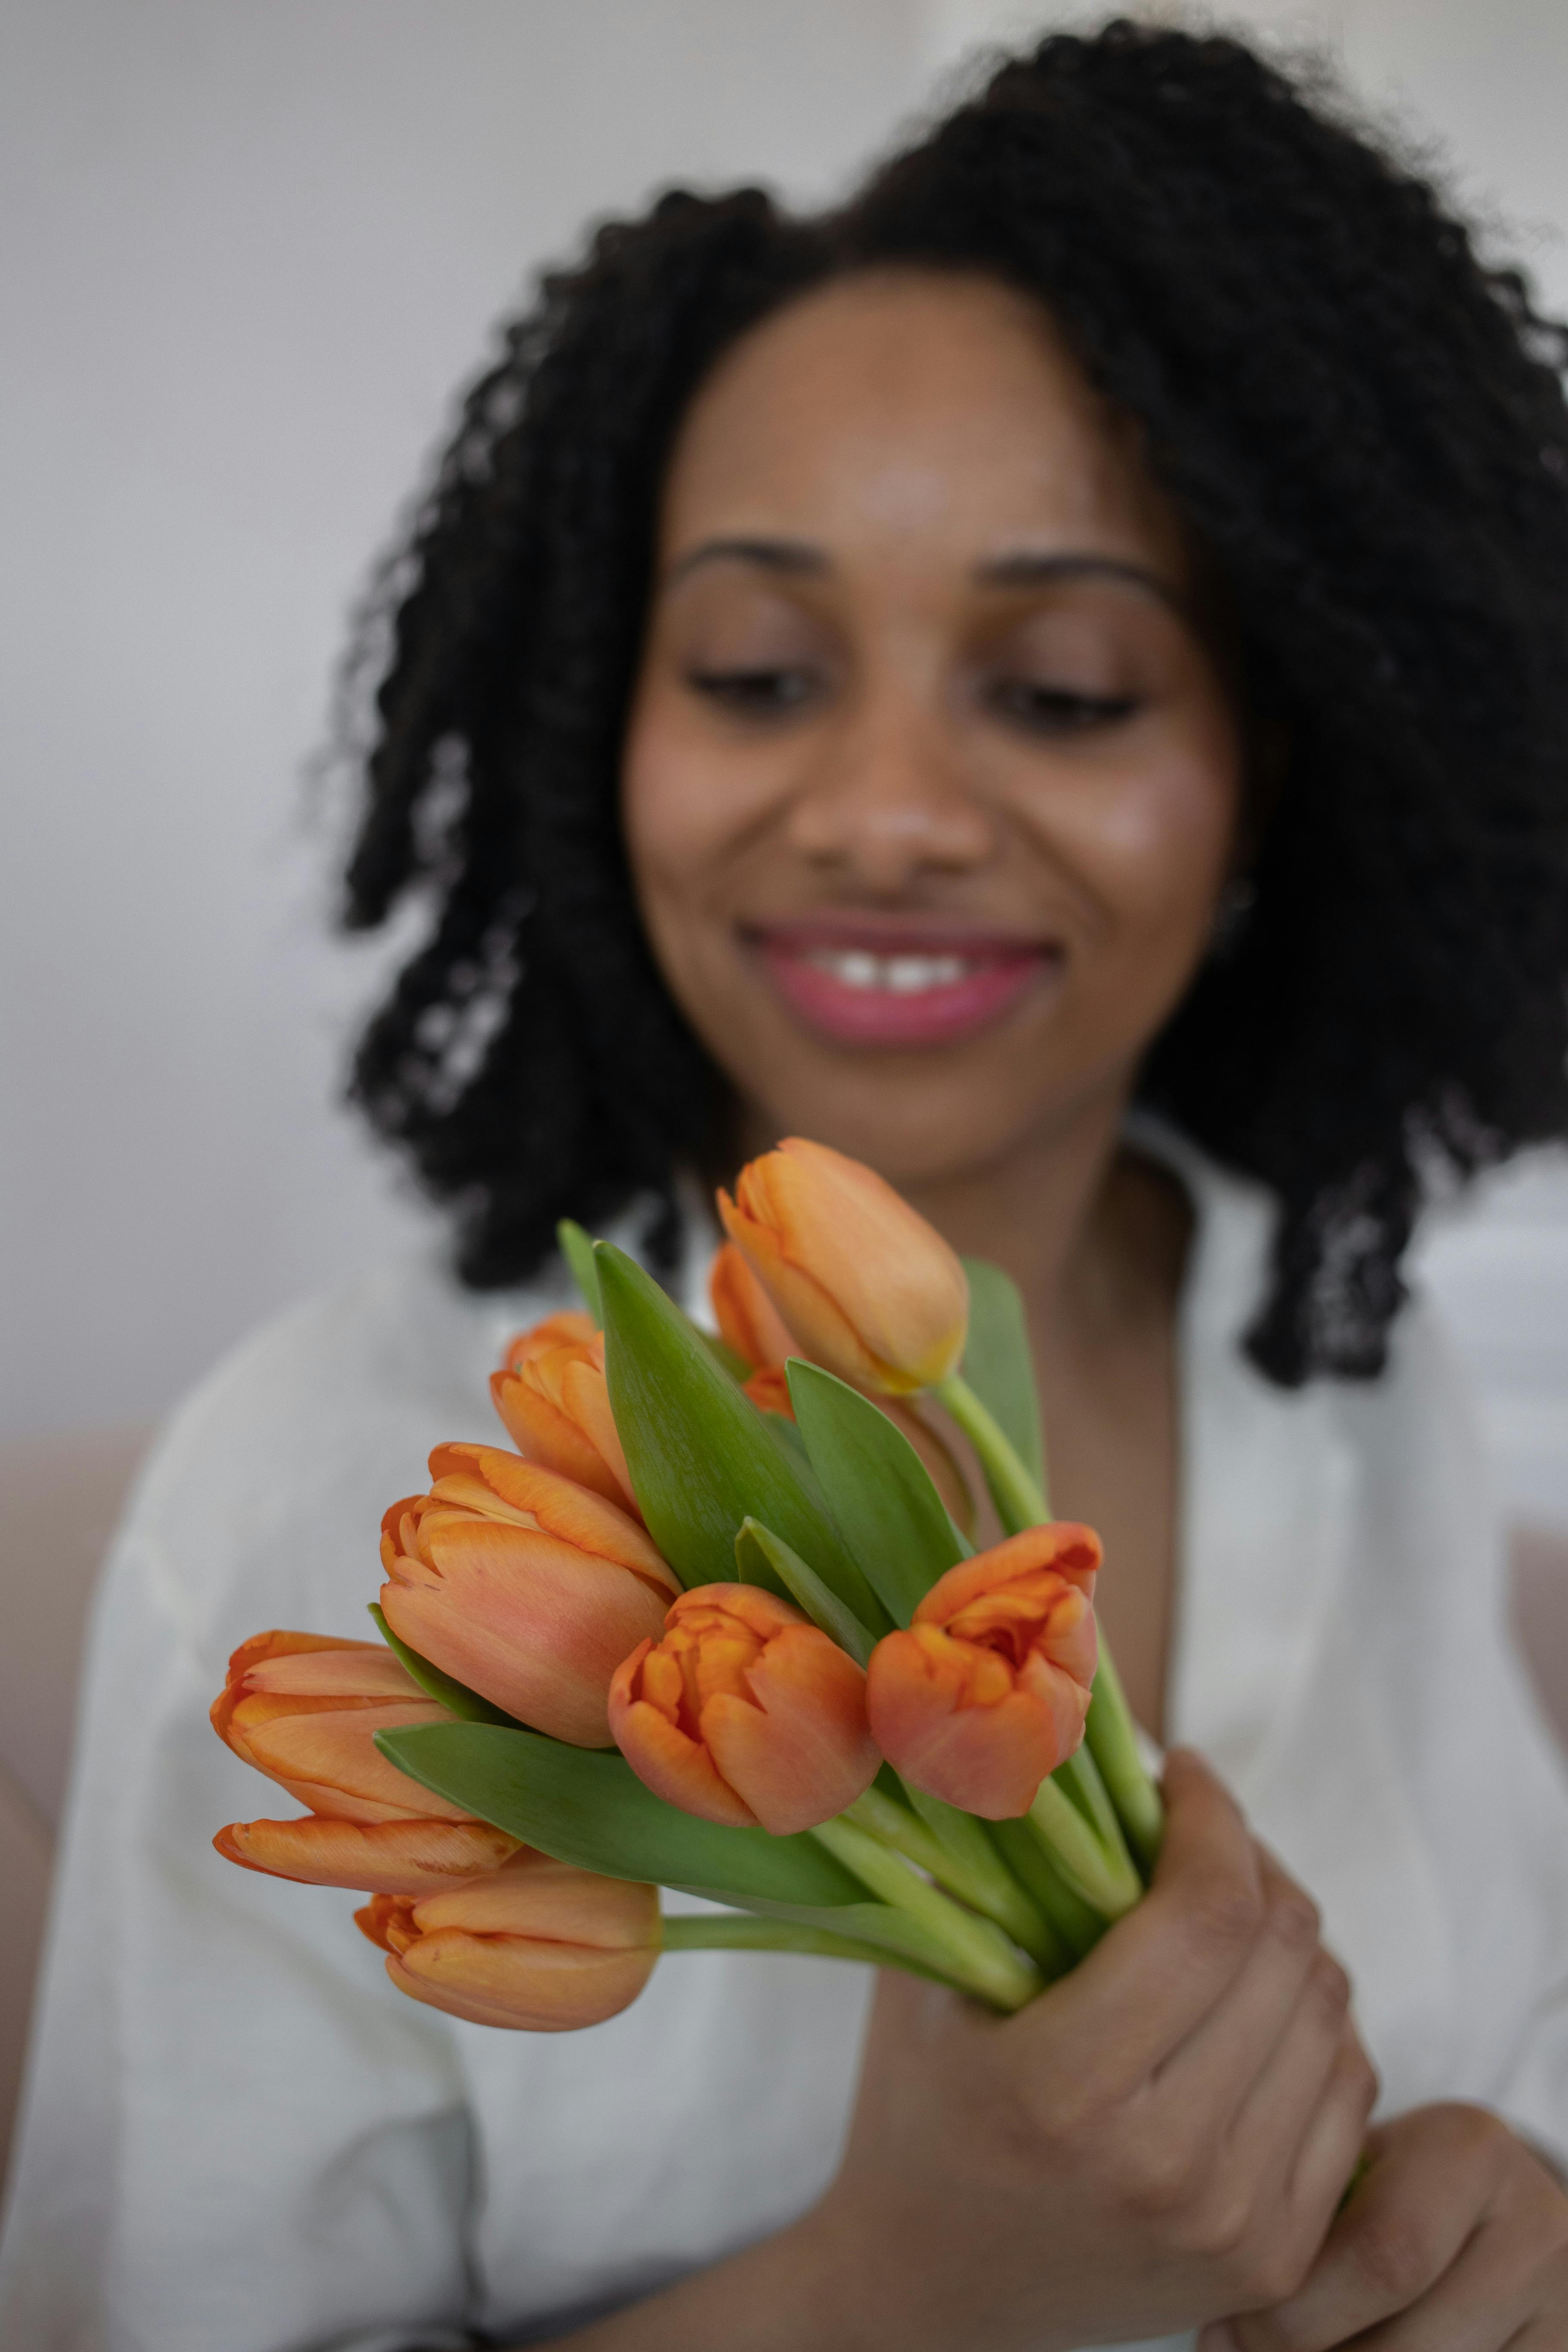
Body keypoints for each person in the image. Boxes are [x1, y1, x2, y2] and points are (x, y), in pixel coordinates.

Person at [5, 17, 1568, 2349]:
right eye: (755, 671)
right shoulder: (317, 1498)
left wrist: (1497, 2218)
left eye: (1062, 689)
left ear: (1281, 773)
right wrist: (899, 2287)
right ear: (595, 729)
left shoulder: (1343, 1374)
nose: (886, 814)